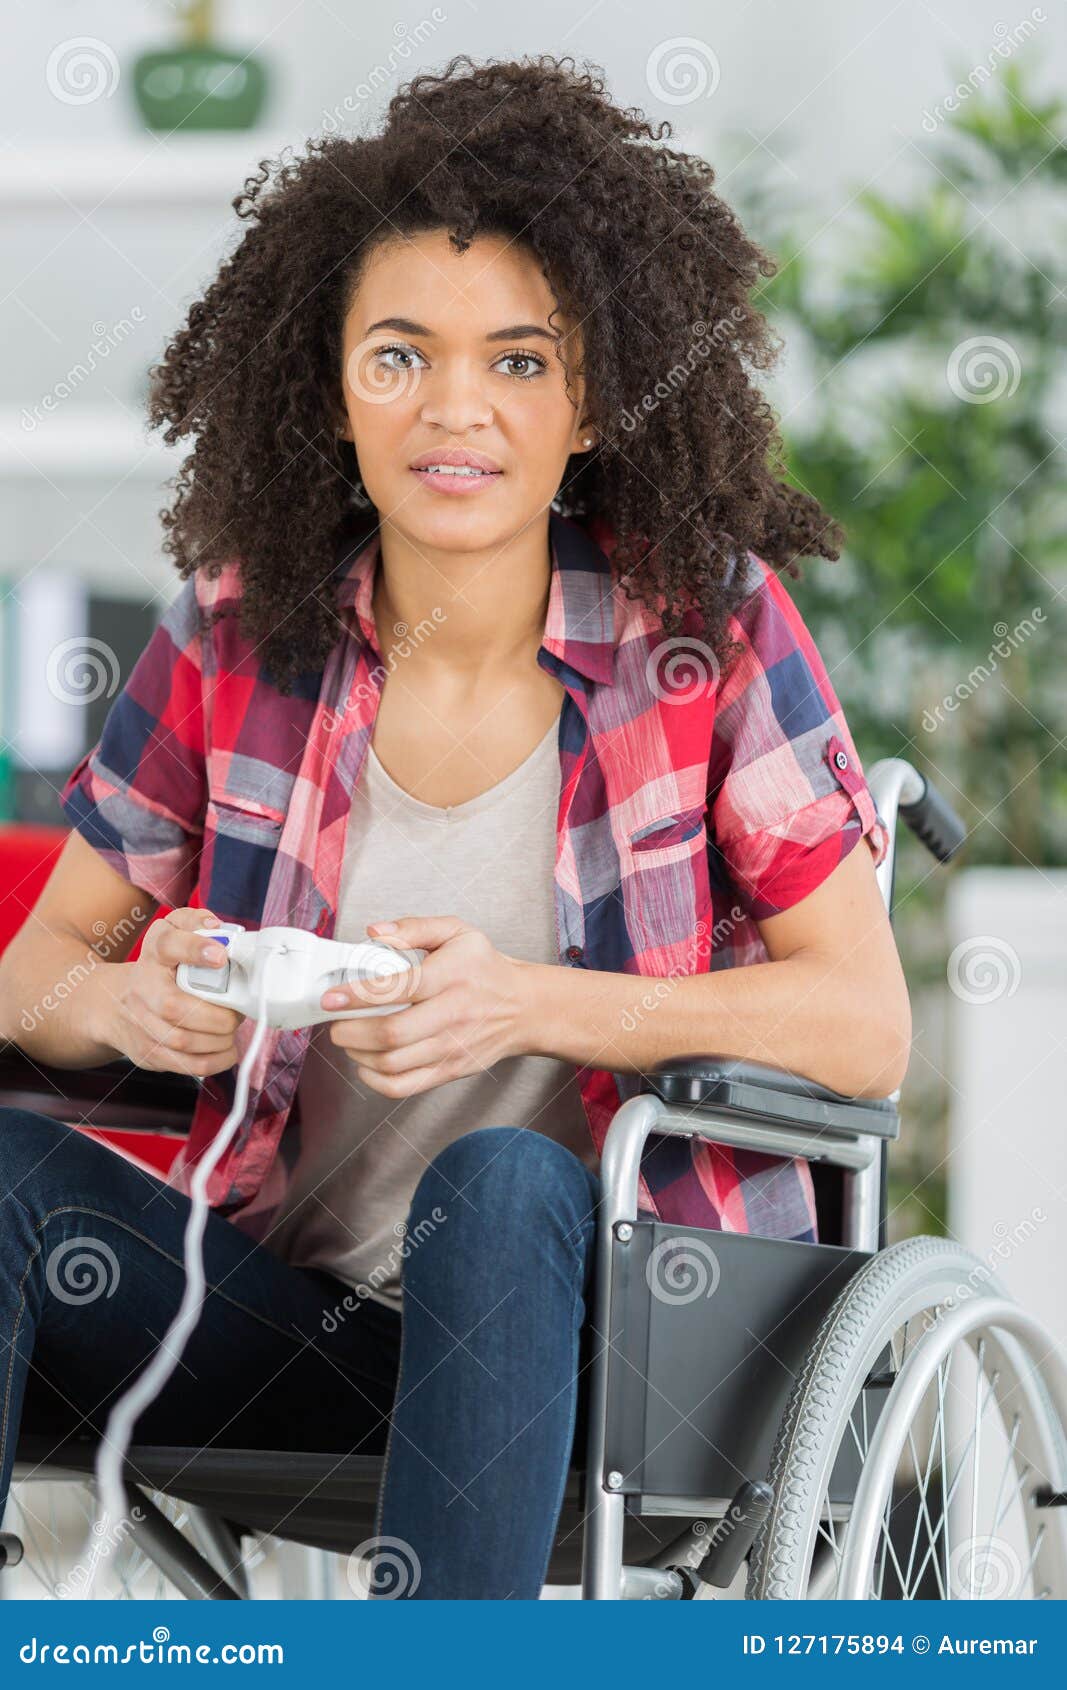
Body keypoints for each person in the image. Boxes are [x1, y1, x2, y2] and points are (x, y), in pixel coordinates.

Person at [0, 54, 910, 1600]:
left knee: (500, 1182)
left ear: (590, 401)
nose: (455, 409)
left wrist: (529, 1002)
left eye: (520, 360)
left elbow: (865, 1022)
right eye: (399, 356)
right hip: (307, 1340)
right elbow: (34, 976)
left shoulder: (706, 634)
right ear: (331, 387)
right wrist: (132, 1000)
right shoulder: (239, 631)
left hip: (626, 1351)